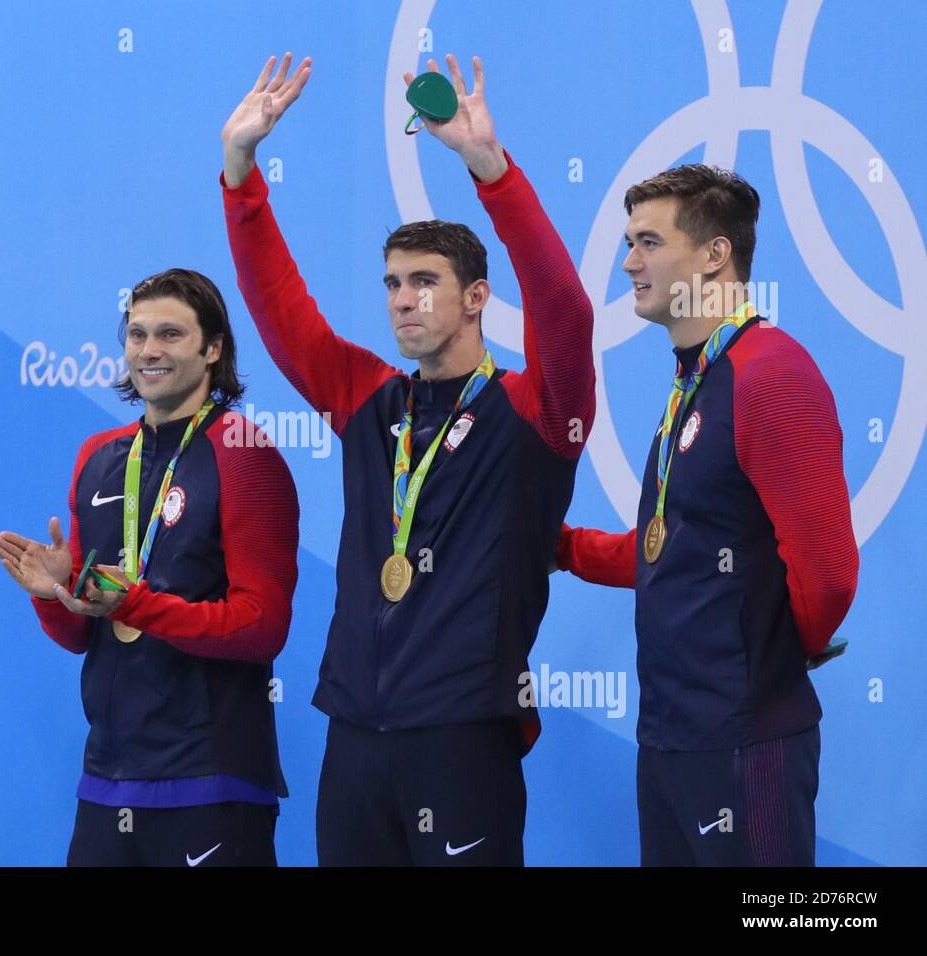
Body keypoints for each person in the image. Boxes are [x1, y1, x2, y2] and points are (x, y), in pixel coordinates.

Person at [219, 53, 595, 865]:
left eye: (425, 281)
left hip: (463, 739)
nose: (402, 298)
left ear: (476, 298)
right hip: (355, 736)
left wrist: (487, 168)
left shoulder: (535, 411)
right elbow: (282, 311)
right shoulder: (367, 397)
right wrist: (241, 170)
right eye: (392, 282)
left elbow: (566, 309)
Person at [555, 164, 859, 865]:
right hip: (670, 737)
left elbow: (832, 575)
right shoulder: (695, 380)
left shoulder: (771, 375)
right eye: (629, 242)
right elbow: (676, 547)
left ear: (716, 253)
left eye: (649, 242)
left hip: (746, 740)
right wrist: (563, 547)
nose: (628, 262)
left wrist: (771, 658)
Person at [0, 268, 298, 867]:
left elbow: (263, 626)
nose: (148, 350)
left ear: (213, 349)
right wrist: (55, 593)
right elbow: (86, 633)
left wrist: (133, 605)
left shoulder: (244, 453)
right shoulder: (99, 456)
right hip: (107, 779)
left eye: (170, 334)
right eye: (136, 335)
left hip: (210, 780)